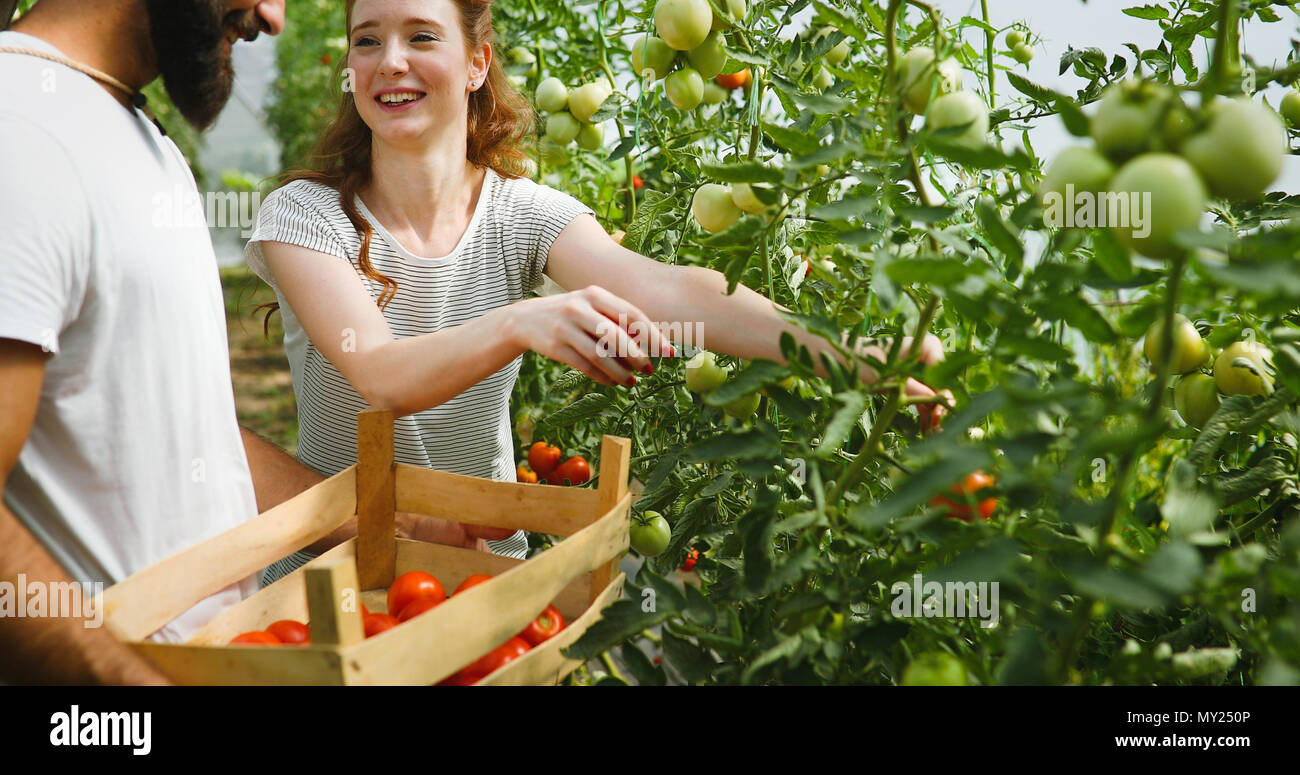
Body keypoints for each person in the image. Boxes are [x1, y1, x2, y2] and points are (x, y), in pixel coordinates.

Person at [247, 0, 948, 583]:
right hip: (343, 573)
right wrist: (522, 319)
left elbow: (670, 291)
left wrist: (850, 352)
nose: (389, 61)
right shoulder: (306, 215)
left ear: (475, 65)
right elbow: (380, 373)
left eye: (421, 36)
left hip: (485, 577)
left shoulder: (520, 213)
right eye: (366, 41)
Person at [0, 0, 472, 685]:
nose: (273, 16)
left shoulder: (134, 135)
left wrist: (383, 519)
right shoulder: (23, 132)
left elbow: (183, 439)